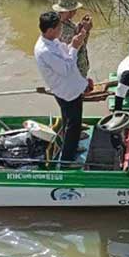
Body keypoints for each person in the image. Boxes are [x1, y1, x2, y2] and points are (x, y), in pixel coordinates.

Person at [34, 10, 90, 166]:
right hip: (66, 92)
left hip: (70, 88)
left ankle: (71, 146)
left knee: (69, 121)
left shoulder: (53, 41)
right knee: (74, 124)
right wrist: (75, 48)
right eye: (59, 28)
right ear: (50, 30)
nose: (61, 31)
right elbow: (65, 68)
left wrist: (73, 43)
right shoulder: (45, 51)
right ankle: (67, 160)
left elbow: (65, 52)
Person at [54, 0, 91, 78]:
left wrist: (81, 27)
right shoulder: (61, 29)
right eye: (74, 10)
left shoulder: (66, 22)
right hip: (74, 72)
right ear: (69, 11)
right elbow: (74, 49)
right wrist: (85, 30)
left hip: (77, 69)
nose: (75, 12)